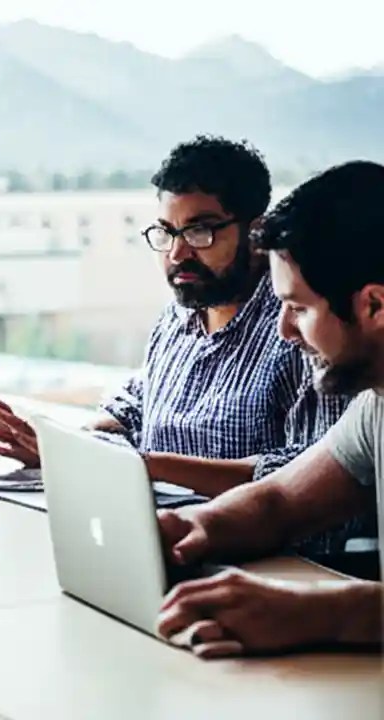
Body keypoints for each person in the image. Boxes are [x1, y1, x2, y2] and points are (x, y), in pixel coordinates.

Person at [0, 136, 351, 501]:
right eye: (166, 233)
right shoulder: (178, 317)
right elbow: (134, 408)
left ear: (255, 232)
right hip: (158, 537)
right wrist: (64, 447)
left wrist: (140, 467)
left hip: (263, 558)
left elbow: (309, 478)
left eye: (199, 232)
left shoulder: (301, 329)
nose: (178, 253)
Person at [156, 160, 384, 658]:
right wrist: (195, 527)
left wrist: (318, 611)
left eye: (299, 308)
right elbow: (281, 500)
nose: (284, 330)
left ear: (374, 306)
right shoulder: (375, 407)